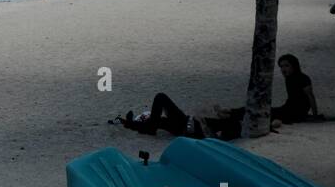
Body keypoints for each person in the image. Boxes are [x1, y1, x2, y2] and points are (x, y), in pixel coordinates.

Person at [117, 54, 318, 138]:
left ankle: (139, 125)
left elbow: (213, 138)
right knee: (159, 121)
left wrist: (205, 122)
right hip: (186, 124)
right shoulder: (240, 121)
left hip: (188, 126)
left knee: (160, 100)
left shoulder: (236, 126)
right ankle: (129, 124)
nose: (283, 69)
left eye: (286, 66)